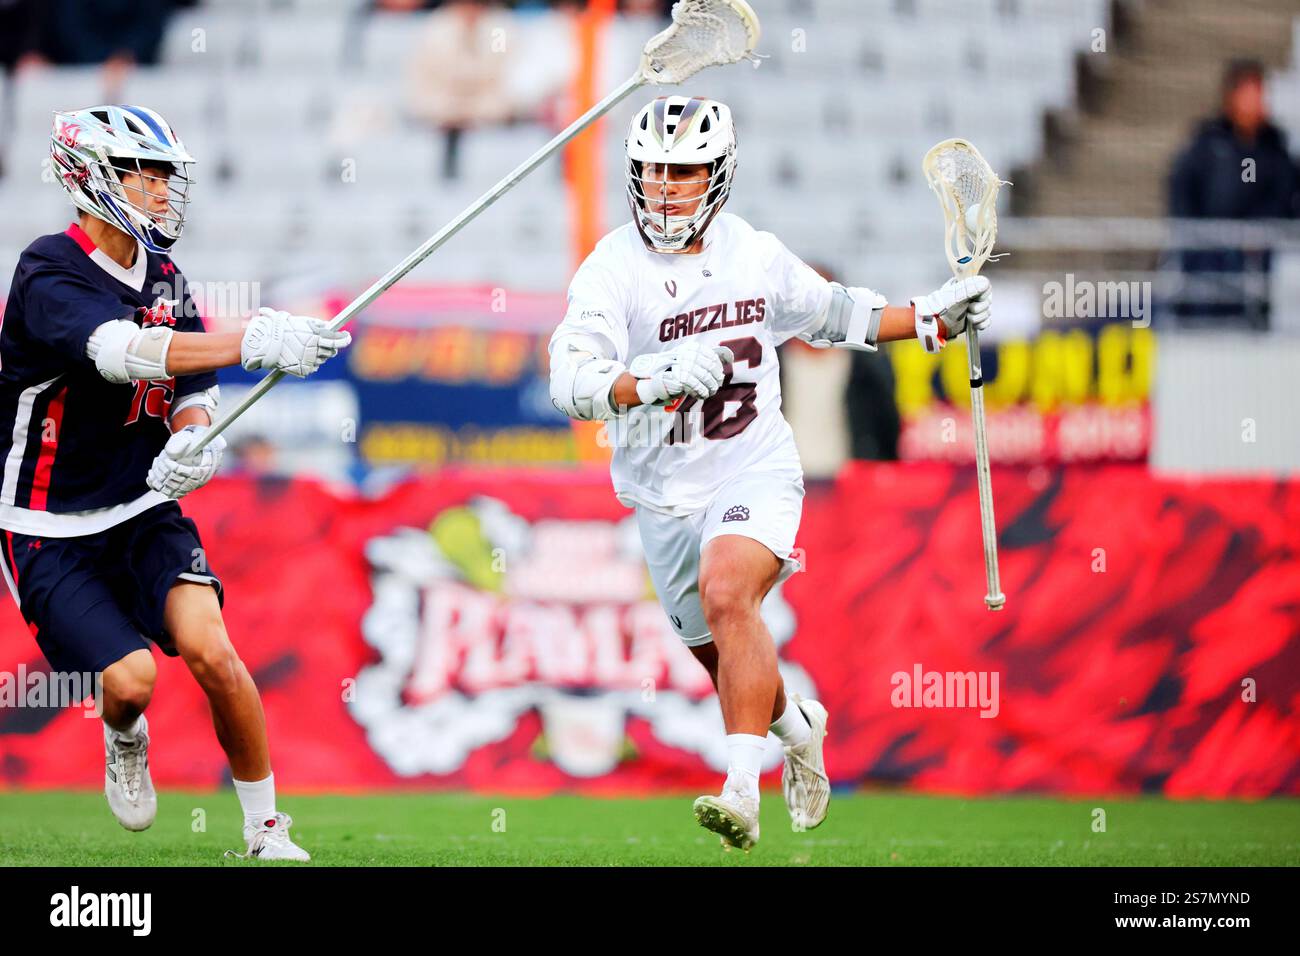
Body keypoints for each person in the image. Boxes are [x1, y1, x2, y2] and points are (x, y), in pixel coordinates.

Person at [547, 95, 990, 851]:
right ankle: (797, 726)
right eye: (653, 170)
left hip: (752, 465)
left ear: (716, 176)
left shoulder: (753, 253)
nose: (664, 187)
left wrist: (929, 317)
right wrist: (647, 380)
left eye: (683, 172)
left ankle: (741, 790)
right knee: (717, 647)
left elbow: (835, 314)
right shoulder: (612, 267)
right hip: (661, 492)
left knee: (728, 592)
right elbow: (569, 378)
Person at [0, 105, 351, 860]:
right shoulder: (46, 271)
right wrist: (259, 335)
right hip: (48, 522)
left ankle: (265, 829)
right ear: (93, 177)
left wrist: (195, 439)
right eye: (146, 173)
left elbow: (195, 385)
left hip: (140, 505)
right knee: (130, 683)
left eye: (166, 174)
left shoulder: (163, 273)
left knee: (214, 652)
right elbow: (127, 352)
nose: (164, 190)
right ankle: (123, 735)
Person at [1166, 59, 1300, 329]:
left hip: (1254, 262)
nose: (1261, 100)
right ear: (1233, 96)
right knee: (1205, 323)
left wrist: (1259, 228)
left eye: (1261, 92)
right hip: (1207, 258)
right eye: (1253, 93)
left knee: (1249, 324)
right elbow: (1182, 191)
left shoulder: (1274, 147)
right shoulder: (1208, 143)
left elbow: (1286, 197)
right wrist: (1197, 234)